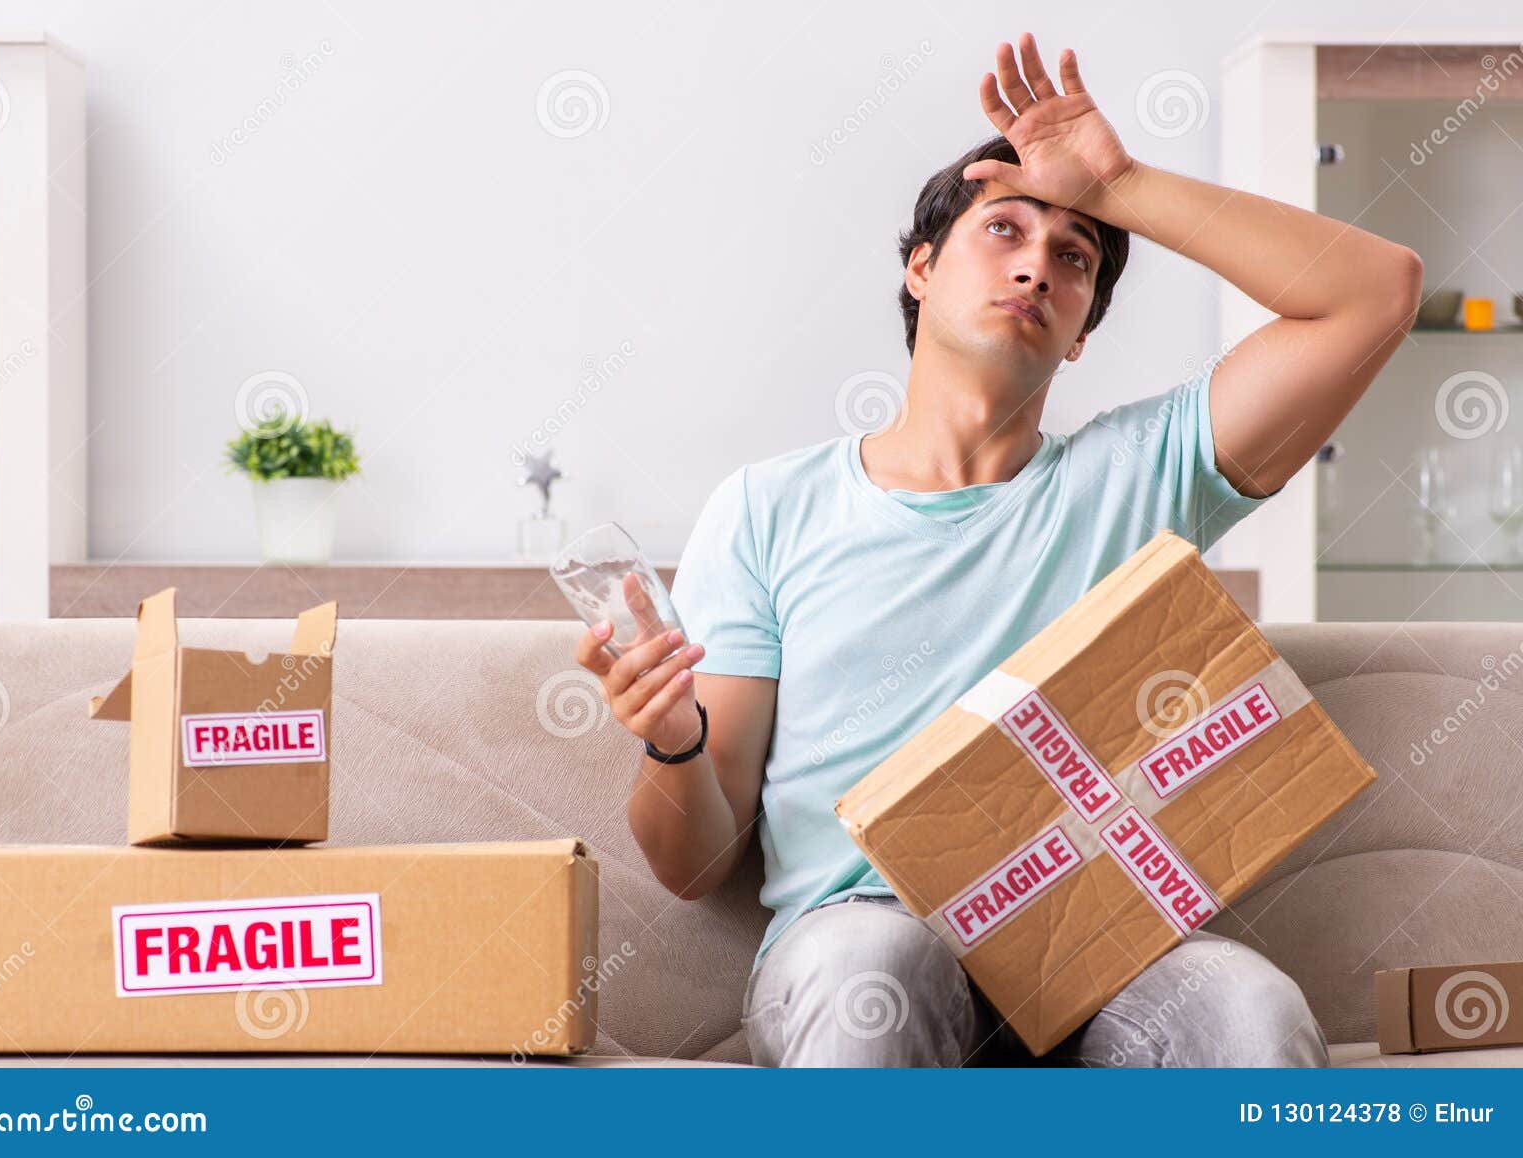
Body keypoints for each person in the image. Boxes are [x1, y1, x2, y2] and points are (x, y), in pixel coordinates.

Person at [572, 33, 1422, 1067]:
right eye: (1004, 229)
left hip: (1103, 944)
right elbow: (694, 861)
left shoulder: (1142, 474)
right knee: (869, 977)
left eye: (1075, 257)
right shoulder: (767, 508)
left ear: (1079, 334)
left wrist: (1121, 183)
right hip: (861, 929)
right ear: (920, 271)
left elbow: (1375, 290)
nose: (1037, 263)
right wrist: (670, 742)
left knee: (1249, 1009)